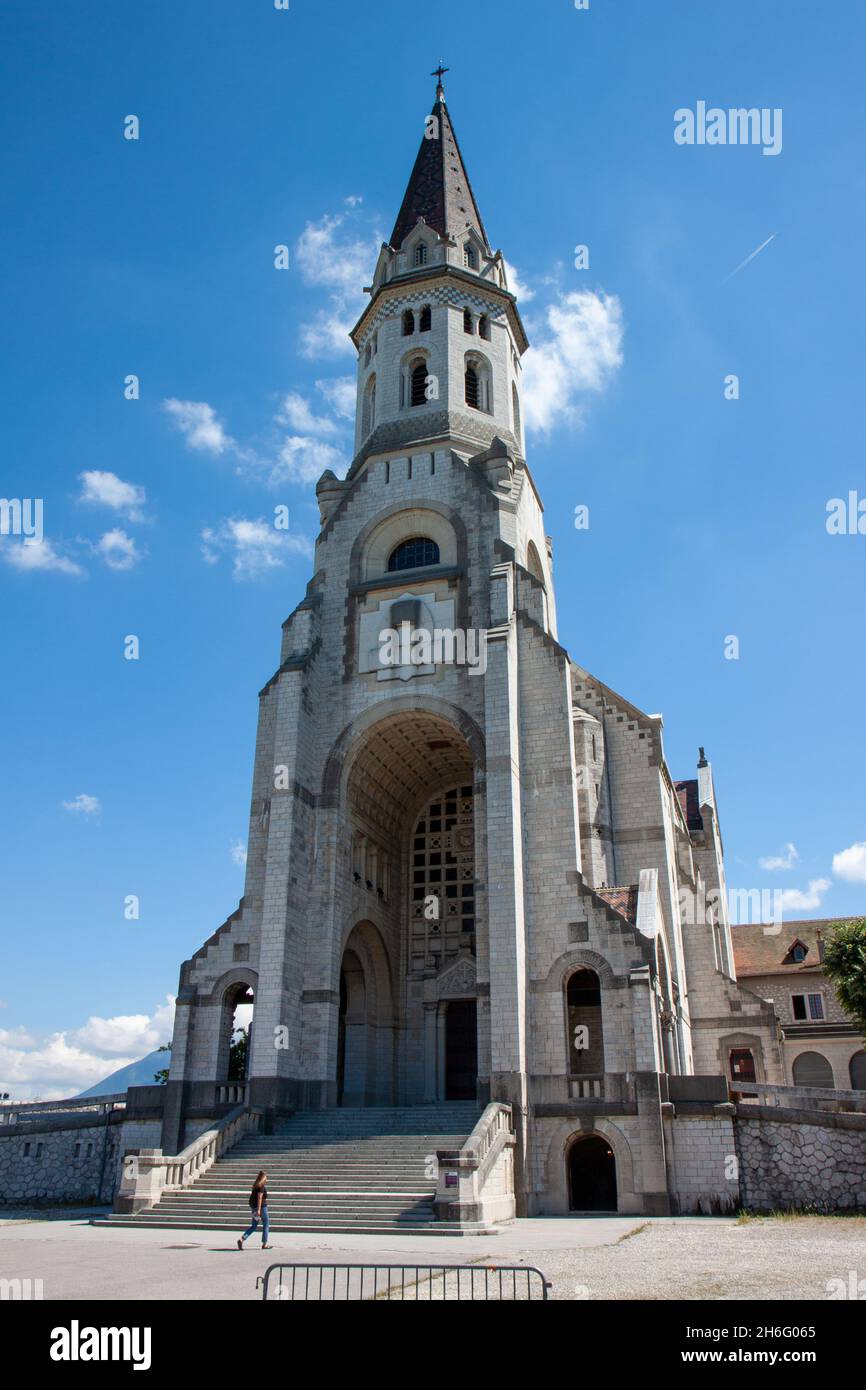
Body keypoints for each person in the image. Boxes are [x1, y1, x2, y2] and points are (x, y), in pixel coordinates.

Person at [238, 1170, 272, 1250]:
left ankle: (242, 1239)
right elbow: (260, 1197)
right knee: (266, 1224)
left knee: (253, 1226)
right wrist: (259, 1210)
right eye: (266, 1177)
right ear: (263, 1178)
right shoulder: (261, 1186)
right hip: (262, 1208)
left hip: (254, 1208)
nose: (267, 1179)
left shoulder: (255, 1186)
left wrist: (255, 1209)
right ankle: (264, 1243)